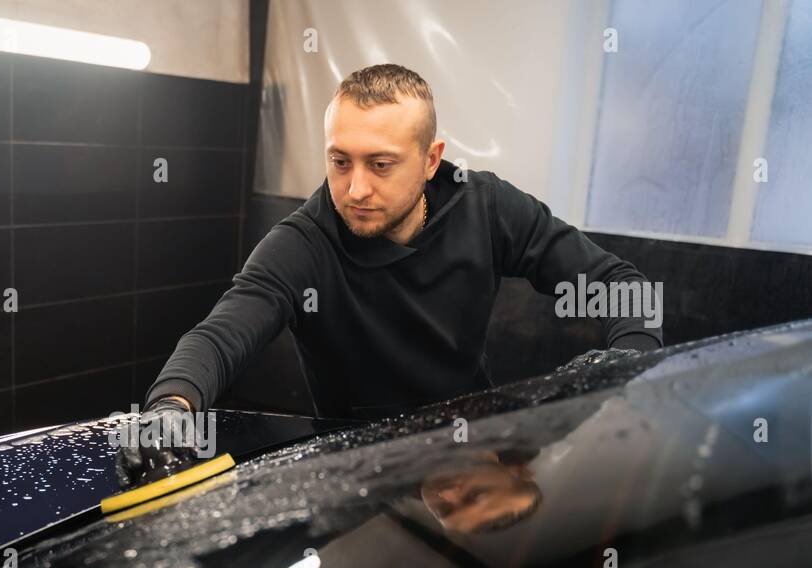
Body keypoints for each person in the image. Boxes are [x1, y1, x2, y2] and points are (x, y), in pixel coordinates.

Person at [116, 64, 662, 488]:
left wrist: (623, 362)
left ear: (430, 160)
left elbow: (623, 287)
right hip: (354, 475)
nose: (355, 189)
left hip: (468, 454)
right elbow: (219, 336)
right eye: (339, 162)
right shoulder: (303, 244)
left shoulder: (486, 207)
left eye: (380, 164)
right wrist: (171, 409)